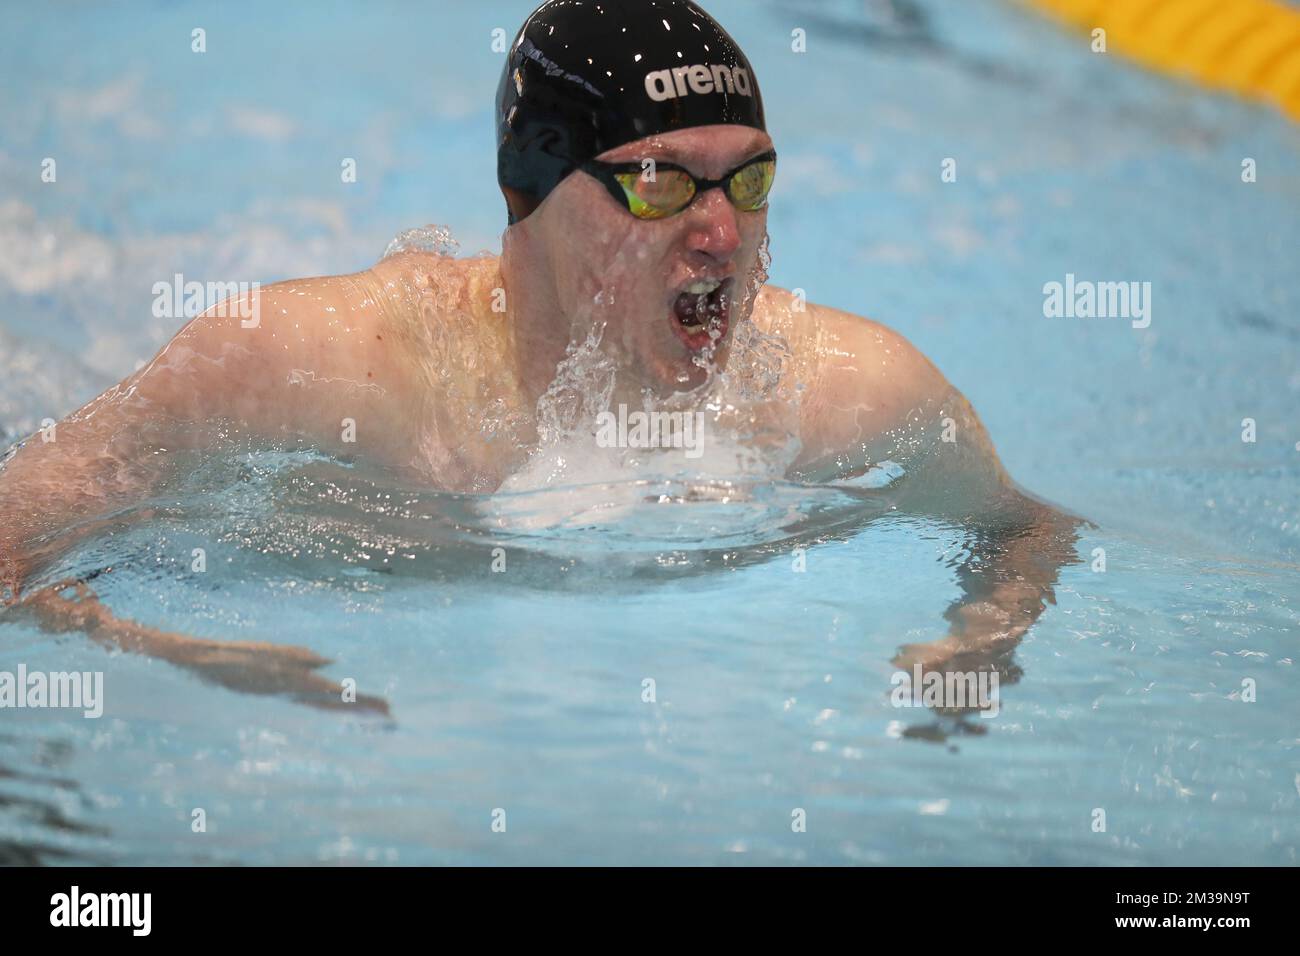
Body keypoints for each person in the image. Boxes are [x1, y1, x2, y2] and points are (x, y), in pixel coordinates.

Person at [0, 0, 1078, 711]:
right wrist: (169, 654)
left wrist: (976, 646)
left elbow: (1021, 525)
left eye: (747, 178)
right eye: (660, 180)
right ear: (531, 191)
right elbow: (14, 542)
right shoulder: (318, 368)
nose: (720, 231)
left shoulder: (848, 389)